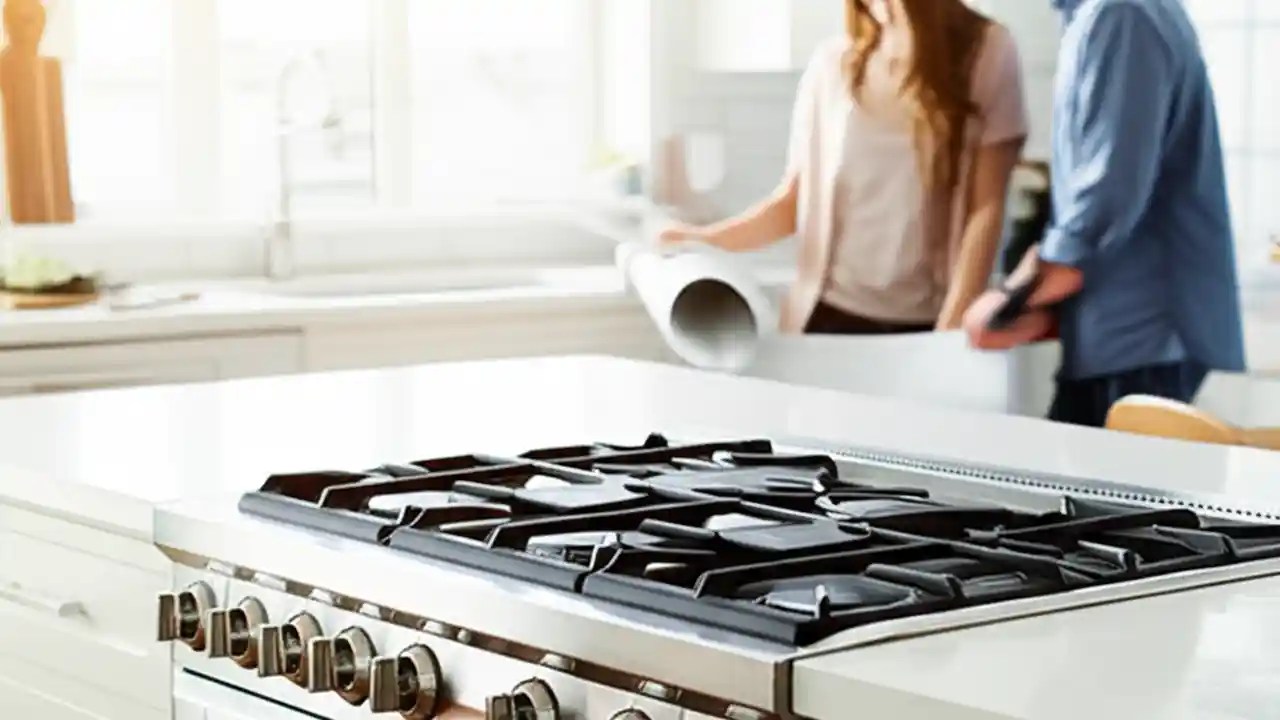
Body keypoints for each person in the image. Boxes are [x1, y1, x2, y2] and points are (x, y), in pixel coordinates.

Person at [661, 0, 1029, 335]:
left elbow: (987, 209)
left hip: (928, 323)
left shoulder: (988, 51)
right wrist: (701, 240)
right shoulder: (833, 64)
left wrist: (950, 334)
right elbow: (792, 204)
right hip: (827, 318)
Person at [964, 0, 1246, 428]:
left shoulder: (1120, 14)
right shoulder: (1114, 13)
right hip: (1136, 341)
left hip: (1137, 344)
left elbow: (1108, 190)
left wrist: (1014, 296)